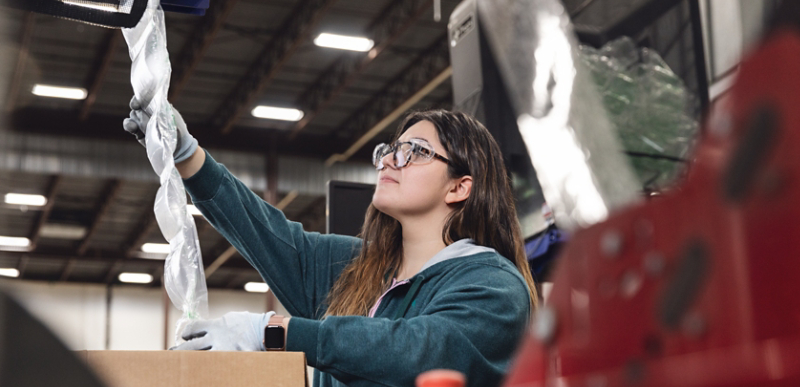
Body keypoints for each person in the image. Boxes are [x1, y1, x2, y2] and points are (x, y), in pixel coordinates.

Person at [123, 100, 539, 387]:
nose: (392, 159)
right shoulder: (359, 268)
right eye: (392, 149)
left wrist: (270, 332)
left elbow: (419, 350)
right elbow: (268, 235)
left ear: (460, 187)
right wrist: (187, 154)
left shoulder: (493, 286)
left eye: (415, 151)